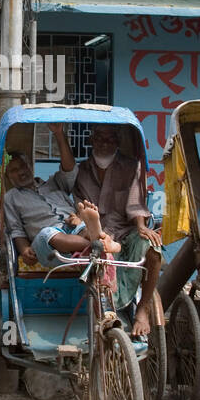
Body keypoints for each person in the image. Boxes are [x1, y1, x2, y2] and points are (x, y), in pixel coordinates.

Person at [73, 124, 162, 337]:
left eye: (110, 139)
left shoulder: (132, 166)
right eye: (100, 138)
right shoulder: (81, 170)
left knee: (152, 249)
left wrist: (141, 227)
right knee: (97, 246)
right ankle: (107, 311)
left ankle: (143, 309)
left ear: (118, 142)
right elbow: (76, 206)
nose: (105, 143)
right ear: (92, 140)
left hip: (125, 229)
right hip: (96, 231)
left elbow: (135, 201)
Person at [3, 122, 120, 267]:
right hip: (47, 243)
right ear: (8, 177)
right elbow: (16, 229)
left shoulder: (54, 183)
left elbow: (70, 169)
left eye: (22, 166)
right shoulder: (12, 197)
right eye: (14, 170)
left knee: (81, 227)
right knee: (48, 233)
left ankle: (95, 240)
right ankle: (100, 246)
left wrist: (59, 134)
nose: (21, 171)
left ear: (30, 166)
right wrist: (24, 249)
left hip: (73, 228)